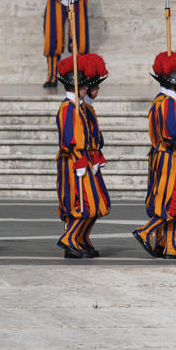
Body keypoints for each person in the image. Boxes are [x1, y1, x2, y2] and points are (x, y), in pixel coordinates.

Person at [133, 51, 176, 259]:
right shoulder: (169, 103)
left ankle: (169, 245)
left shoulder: (163, 101)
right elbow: (172, 133)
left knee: (171, 200)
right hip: (171, 156)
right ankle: (145, 231)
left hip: (165, 155)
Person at [55, 55, 109, 258]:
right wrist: (81, 161)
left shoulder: (77, 107)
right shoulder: (68, 108)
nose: (88, 89)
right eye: (84, 86)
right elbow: (70, 139)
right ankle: (69, 239)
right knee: (83, 203)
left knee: (93, 203)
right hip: (74, 161)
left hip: (83, 159)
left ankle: (77, 239)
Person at [79, 53, 110, 257]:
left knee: (100, 203)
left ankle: (82, 237)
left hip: (92, 158)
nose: (98, 90)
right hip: (85, 160)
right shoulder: (82, 108)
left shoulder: (88, 107)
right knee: (91, 203)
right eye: (95, 86)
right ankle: (75, 239)